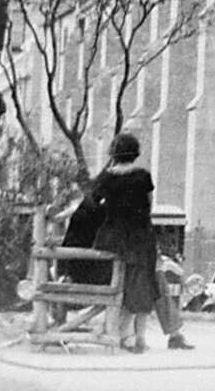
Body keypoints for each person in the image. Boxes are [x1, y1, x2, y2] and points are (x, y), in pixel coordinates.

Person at [60, 181, 193, 350]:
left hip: (88, 271)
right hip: (93, 274)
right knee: (150, 277)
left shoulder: (92, 208)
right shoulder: (103, 213)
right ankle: (141, 336)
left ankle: (143, 336)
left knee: (150, 275)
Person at [89, 132, 161, 352]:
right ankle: (139, 338)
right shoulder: (143, 176)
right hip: (139, 237)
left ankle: (116, 332)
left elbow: (94, 202)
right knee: (142, 286)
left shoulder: (106, 178)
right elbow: (149, 205)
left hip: (112, 237)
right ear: (135, 153)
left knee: (115, 284)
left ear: (114, 153)